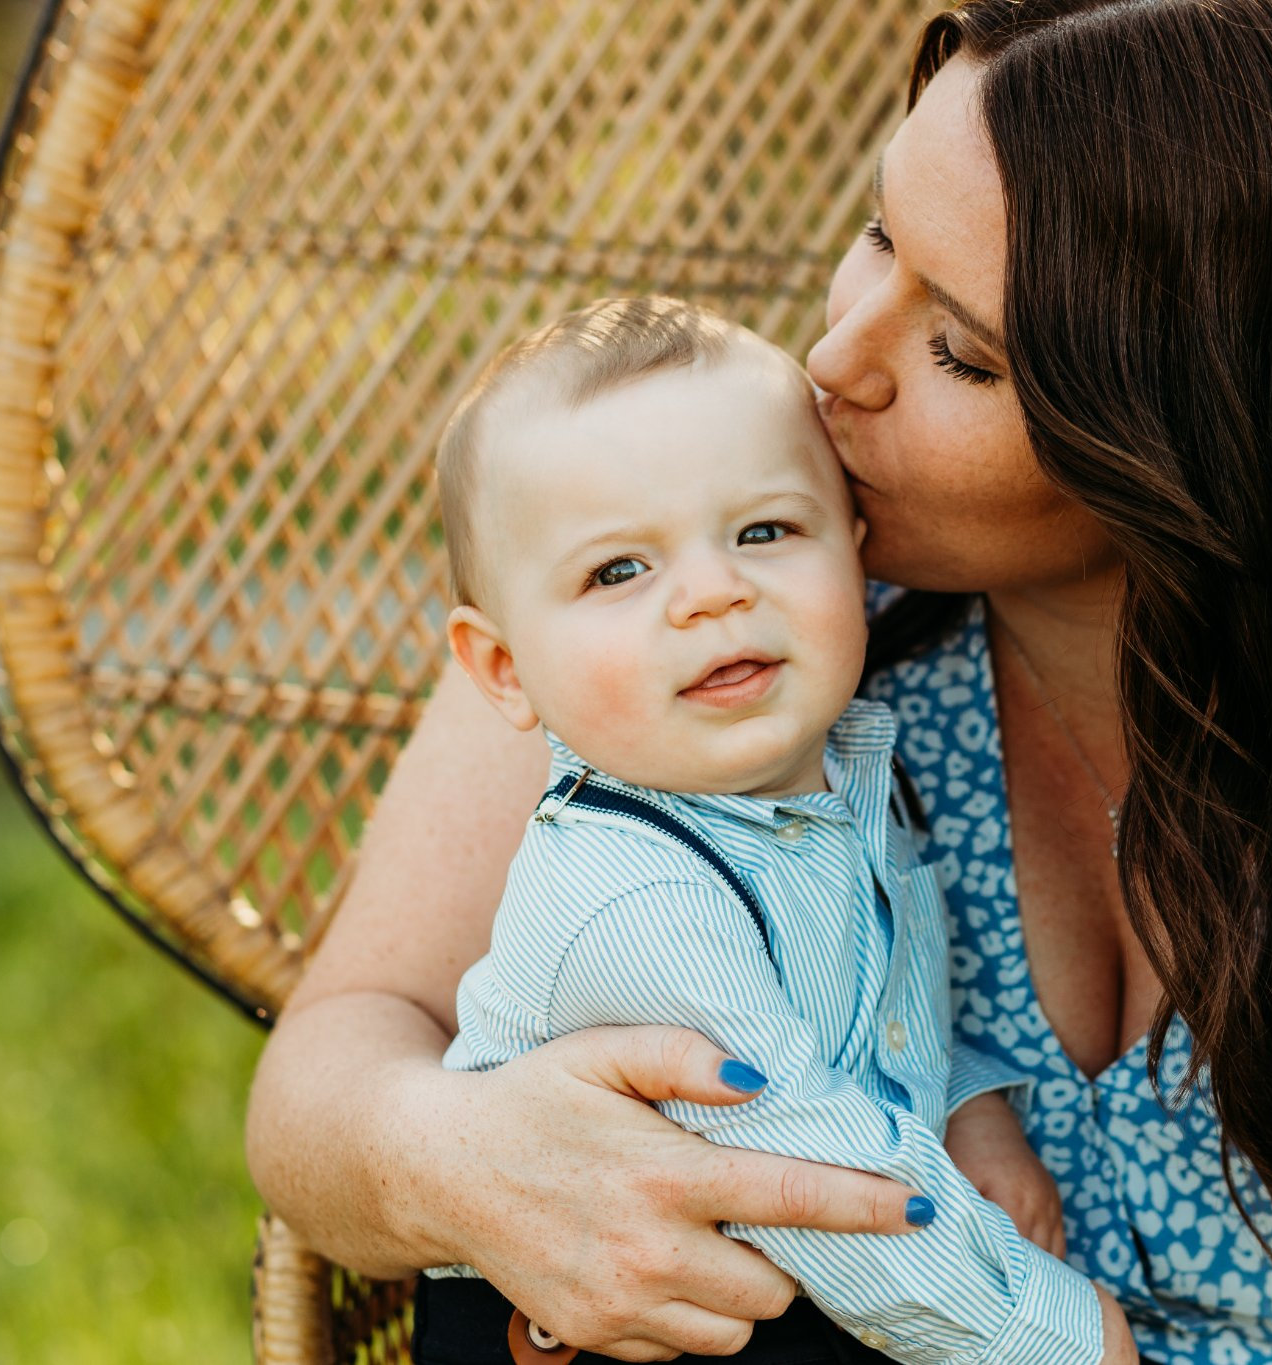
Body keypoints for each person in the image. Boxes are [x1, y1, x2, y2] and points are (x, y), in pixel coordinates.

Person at [245, 1, 1272, 1361]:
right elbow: (325, 1073)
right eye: (874, 237)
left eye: (965, 354)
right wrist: (452, 1157)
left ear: (1218, 434)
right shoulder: (692, 607)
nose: (834, 363)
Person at [418, 293, 1129, 1364]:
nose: (711, 592)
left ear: (853, 556)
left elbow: (872, 1008)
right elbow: (812, 1176)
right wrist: (1061, 1340)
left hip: (799, 1288)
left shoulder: (836, 779)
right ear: (504, 670)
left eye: (763, 531)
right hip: (609, 1319)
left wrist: (966, 1108)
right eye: (619, 569)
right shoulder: (635, 901)